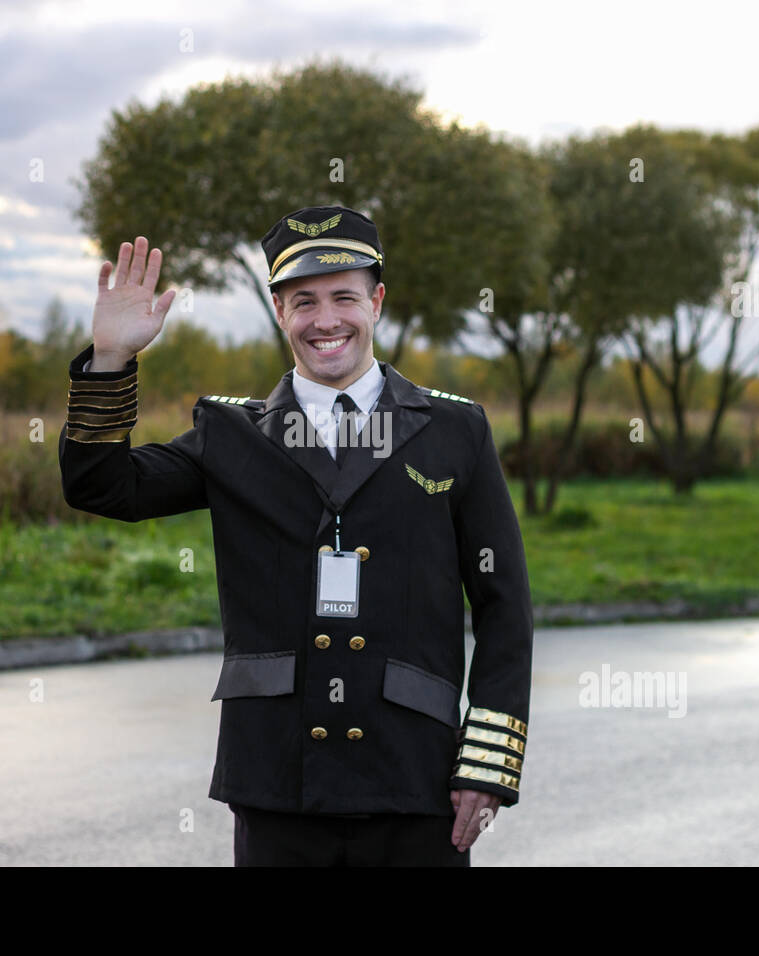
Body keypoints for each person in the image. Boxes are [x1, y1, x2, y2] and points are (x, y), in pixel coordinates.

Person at [58, 204, 533, 866]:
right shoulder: (234, 436)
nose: (326, 320)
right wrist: (110, 357)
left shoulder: (456, 431)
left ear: (378, 303)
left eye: (344, 297)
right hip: (278, 780)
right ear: (280, 312)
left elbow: (503, 604)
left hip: (414, 775)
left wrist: (485, 765)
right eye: (303, 301)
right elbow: (102, 487)